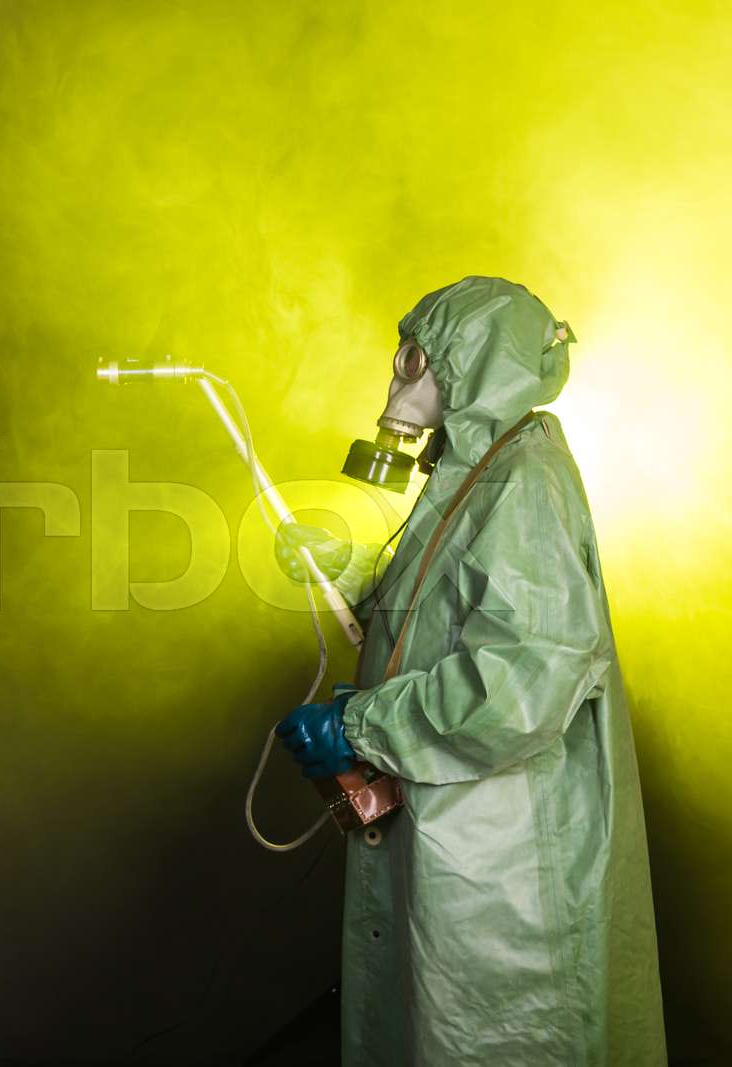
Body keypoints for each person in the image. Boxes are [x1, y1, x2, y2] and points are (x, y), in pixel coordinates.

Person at [273, 276, 666, 1064]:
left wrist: (357, 725)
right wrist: (351, 573)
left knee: (491, 1036)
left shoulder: (524, 482)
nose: (395, 375)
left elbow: (521, 682)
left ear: (473, 364)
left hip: (499, 852)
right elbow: (451, 606)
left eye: (415, 359)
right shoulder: (478, 468)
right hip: (456, 832)